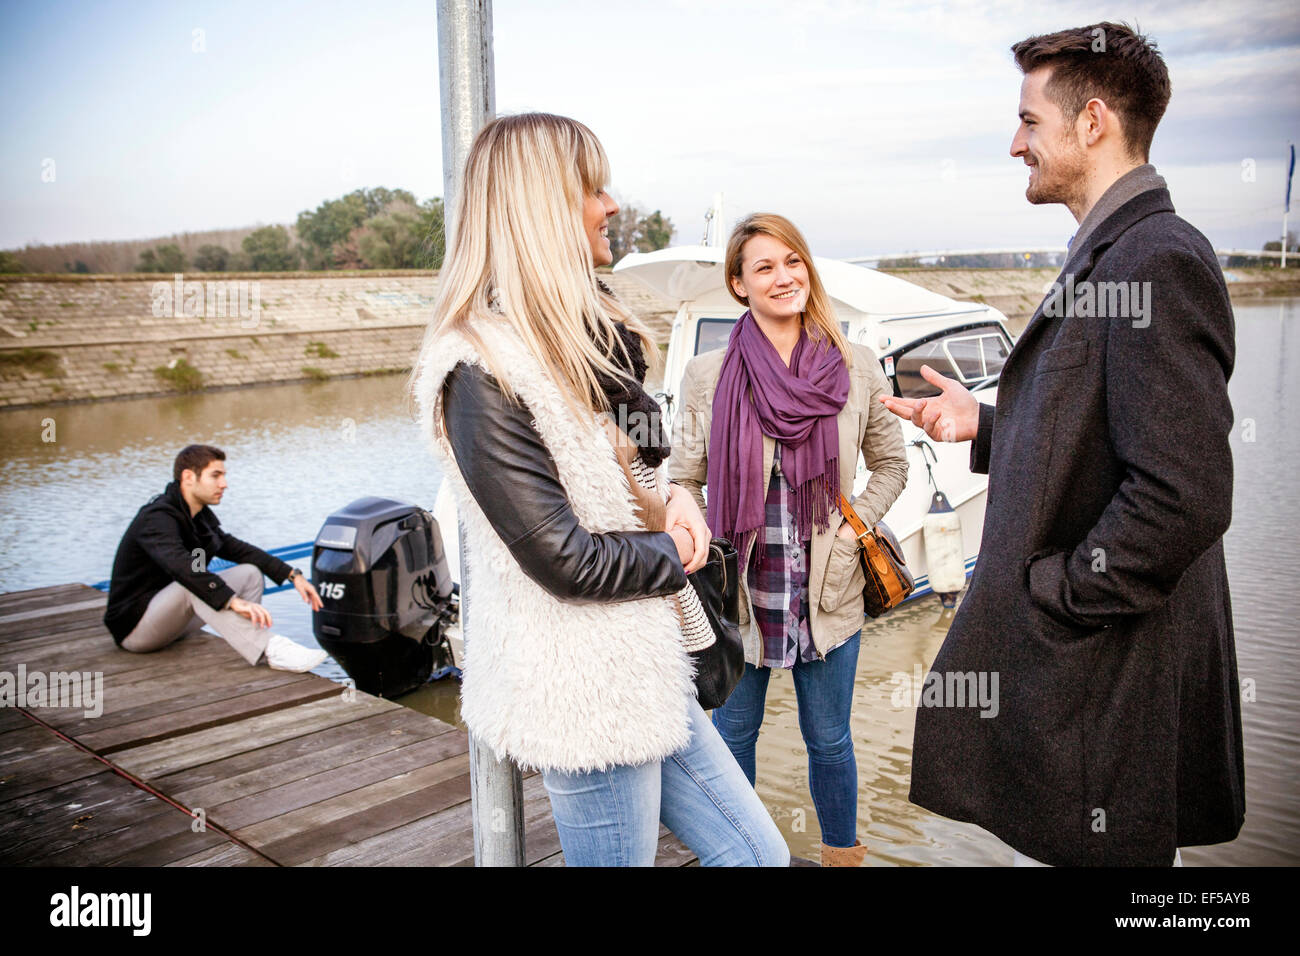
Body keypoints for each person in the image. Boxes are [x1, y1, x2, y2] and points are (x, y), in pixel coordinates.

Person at [880, 22, 1244, 866]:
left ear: (1091, 123)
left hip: (1103, 702)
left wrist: (1060, 592)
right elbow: (1115, 437)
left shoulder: (1156, 259)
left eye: (1029, 122)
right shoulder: (1113, 251)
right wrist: (988, 425)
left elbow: (1184, 493)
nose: (1015, 144)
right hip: (1085, 707)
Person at [411, 113, 789, 867]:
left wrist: (675, 493)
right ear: (542, 206)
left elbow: (646, 446)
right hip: (585, 690)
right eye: (593, 188)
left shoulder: (571, 339)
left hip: (650, 664)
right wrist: (677, 549)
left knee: (758, 856)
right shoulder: (478, 372)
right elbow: (564, 558)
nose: (612, 205)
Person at [670, 213, 909, 866]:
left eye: (793, 261)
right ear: (739, 284)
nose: (784, 277)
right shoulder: (707, 376)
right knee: (733, 734)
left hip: (828, 590)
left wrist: (854, 522)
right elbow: (684, 477)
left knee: (829, 741)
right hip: (742, 594)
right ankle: (738, 854)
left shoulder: (855, 366)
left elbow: (893, 463)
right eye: (765, 267)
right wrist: (696, 535)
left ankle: (841, 858)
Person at [104, 444, 328, 672]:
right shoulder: (156, 518)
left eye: (224, 476)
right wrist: (231, 600)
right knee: (193, 583)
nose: (224, 484)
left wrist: (293, 575)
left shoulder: (198, 518)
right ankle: (271, 648)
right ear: (189, 477)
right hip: (136, 630)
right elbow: (183, 568)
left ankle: (250, 640)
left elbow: (239, 549)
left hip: (175, 625)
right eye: (215, 476)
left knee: (249, 573)